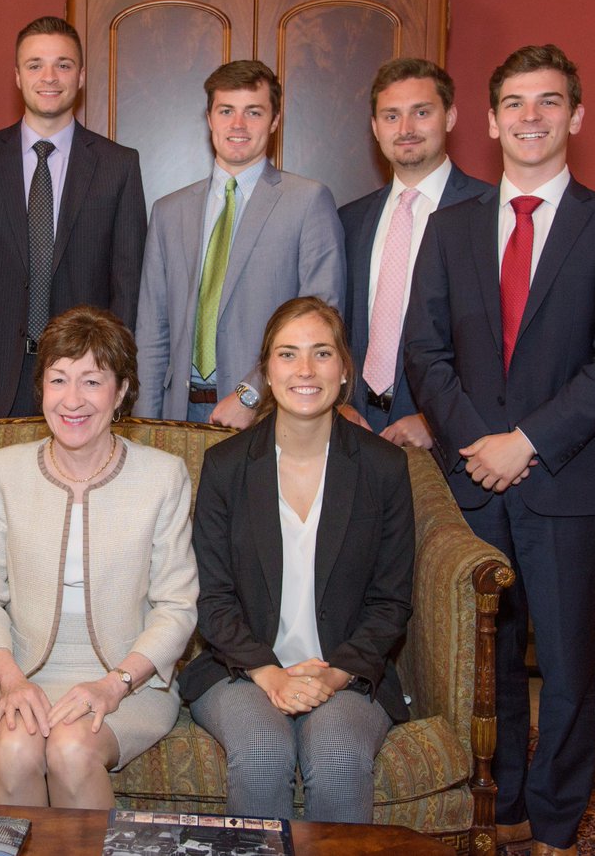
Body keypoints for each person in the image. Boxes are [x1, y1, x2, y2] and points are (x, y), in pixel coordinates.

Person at [405, 46, 595, 856]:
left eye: (548, 101)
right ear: (489, 121)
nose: (530, 117)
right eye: (514, 103)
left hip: (569, 488)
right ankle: (507, 800)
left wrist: (527, 442)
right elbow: (425, 352)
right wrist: (481, 445)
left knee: (571, 668)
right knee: (491, 667)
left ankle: (555, 822)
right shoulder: (449, 229)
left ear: (575, 115)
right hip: (474, 482)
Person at [180, 297, 413, 822]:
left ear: (345, 370)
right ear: (266, 371)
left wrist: (333, 677)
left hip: (347, 671)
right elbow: (212, 598)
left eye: (322, 353)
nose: (305, 369)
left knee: (337, 756)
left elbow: (391, 601)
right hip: (241, 670)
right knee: (263, 753)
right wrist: (270, 673)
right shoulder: (225, 466)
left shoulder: (384, 468)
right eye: (288, 354)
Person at [0, 305, 197, 808]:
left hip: (129, 681)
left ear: (121, 391)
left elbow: (177, 606)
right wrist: (11, 681)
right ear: (41, 388)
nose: (72, 400)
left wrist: (115, 684)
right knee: (14, 752)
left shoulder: (163, 476)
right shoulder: (1, 472)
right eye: (58, 380)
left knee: (70, 750)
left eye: (92, 381)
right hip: (21, 672)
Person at [0, 17, 147, 421]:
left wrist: (114, 380)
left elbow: (128, 289)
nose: (49, 77)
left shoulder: (118, 166)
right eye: (35, 65)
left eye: (63, 65)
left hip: (84, 380)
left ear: (81, 76)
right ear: (17, 76)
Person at [135, 60, 344, 430]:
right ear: (209, 118)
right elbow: (153, 332)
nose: (238, 125)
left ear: (274, 121)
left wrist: (251, 393)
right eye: (226, 111)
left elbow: (322, 320)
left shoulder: (308, 201)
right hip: (177, 412)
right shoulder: (168, 212)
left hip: (267, 413)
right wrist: (147, 426)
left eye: (254, 112)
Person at [339, 58, 490, 446]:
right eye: (391, 116)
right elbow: (336, 326)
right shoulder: (349, 220)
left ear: (450, 117)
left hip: (453, 442)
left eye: (421, 113)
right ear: (375, 127)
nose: (405, 129)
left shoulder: (490, 213)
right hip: (357, 431)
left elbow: (500, 347)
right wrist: (338, 405)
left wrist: (438, 420)